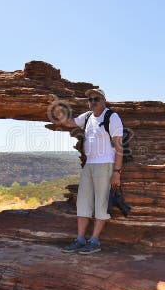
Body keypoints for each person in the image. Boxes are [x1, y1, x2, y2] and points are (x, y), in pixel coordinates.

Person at [49, 88, 124, 254]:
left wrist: (117, 171)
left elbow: (119, 146)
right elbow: (68, 123)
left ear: (104, 100)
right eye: (90, 99)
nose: (93, 102)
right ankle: (80, 239)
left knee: (101, 204)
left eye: (96, 99)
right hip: (89, 165)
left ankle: (94, 241)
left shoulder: (111, 117)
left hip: (105, 165)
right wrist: (56, 105)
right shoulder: (88, 116)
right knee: (82, 203)